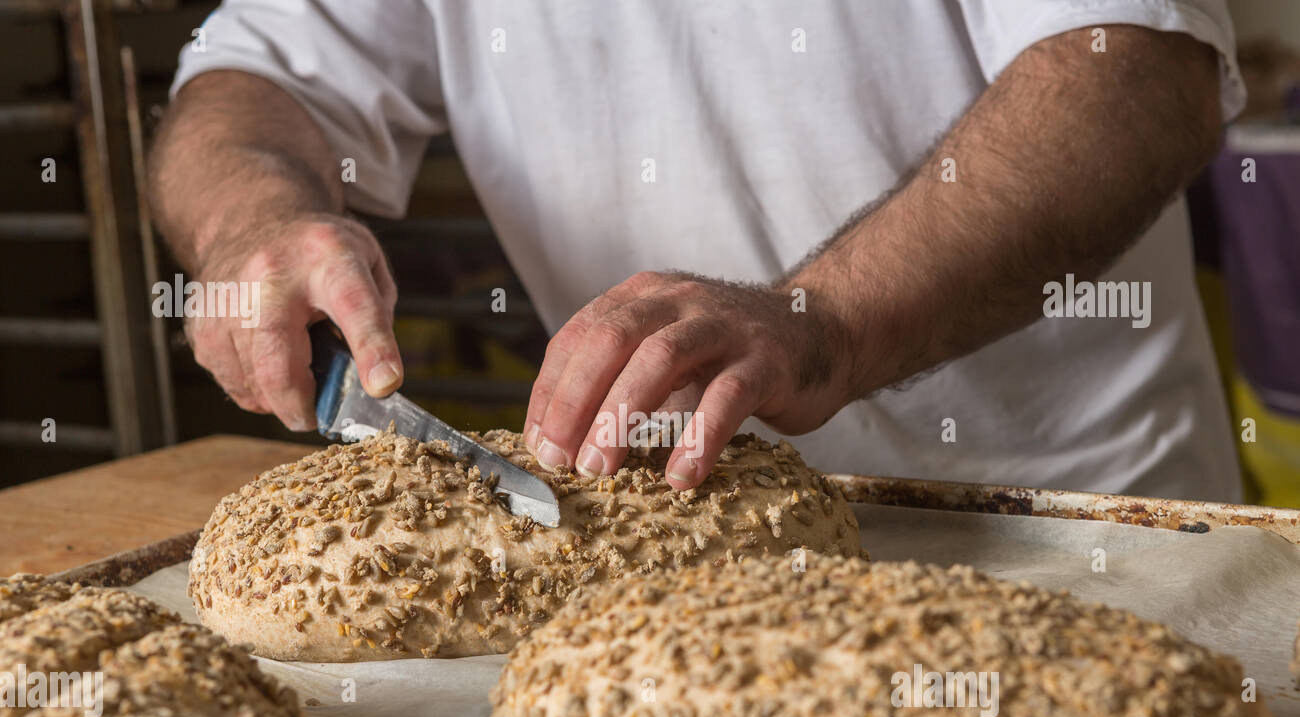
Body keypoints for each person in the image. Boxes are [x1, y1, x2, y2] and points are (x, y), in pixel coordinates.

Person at [149, 0, 1246, 500]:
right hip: (674, 548)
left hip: (1075, 528)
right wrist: (247, 227)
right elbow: (250, 82)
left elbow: (1133, 67)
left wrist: (830, 320)